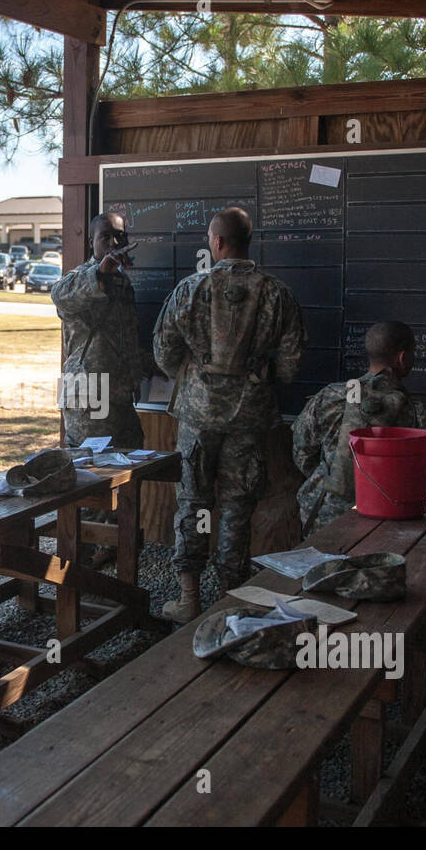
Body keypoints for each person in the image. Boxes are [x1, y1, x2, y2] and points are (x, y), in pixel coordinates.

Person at [152, 206, 307, 622]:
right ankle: (228, 597)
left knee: (195, 501)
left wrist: (194, 377)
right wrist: (260, 375)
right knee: (239, 503)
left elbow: (164, 351)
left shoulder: (190, 289)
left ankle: (188, 598)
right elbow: (292, 362)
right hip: (250, 414)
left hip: (198, 416)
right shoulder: (276, 292)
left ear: (217, 242)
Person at [293, 320, 426, 535]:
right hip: (391, 523)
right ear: (402, 357)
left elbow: (302, 452)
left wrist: (334, 483)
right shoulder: (421, 413)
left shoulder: (327, 398)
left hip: (324, 518)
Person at [50, 212, 145, 449]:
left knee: (131, 459)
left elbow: (126, 337)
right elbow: (59, 295)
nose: (113, 243)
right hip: (87, 393)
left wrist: (137, 376)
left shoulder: (124, 284)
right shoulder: (80, 277)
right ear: (90, 241)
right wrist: (100, 273)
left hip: (119, 393)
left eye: (119, 237)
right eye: (105, 237)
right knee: (93, 467)